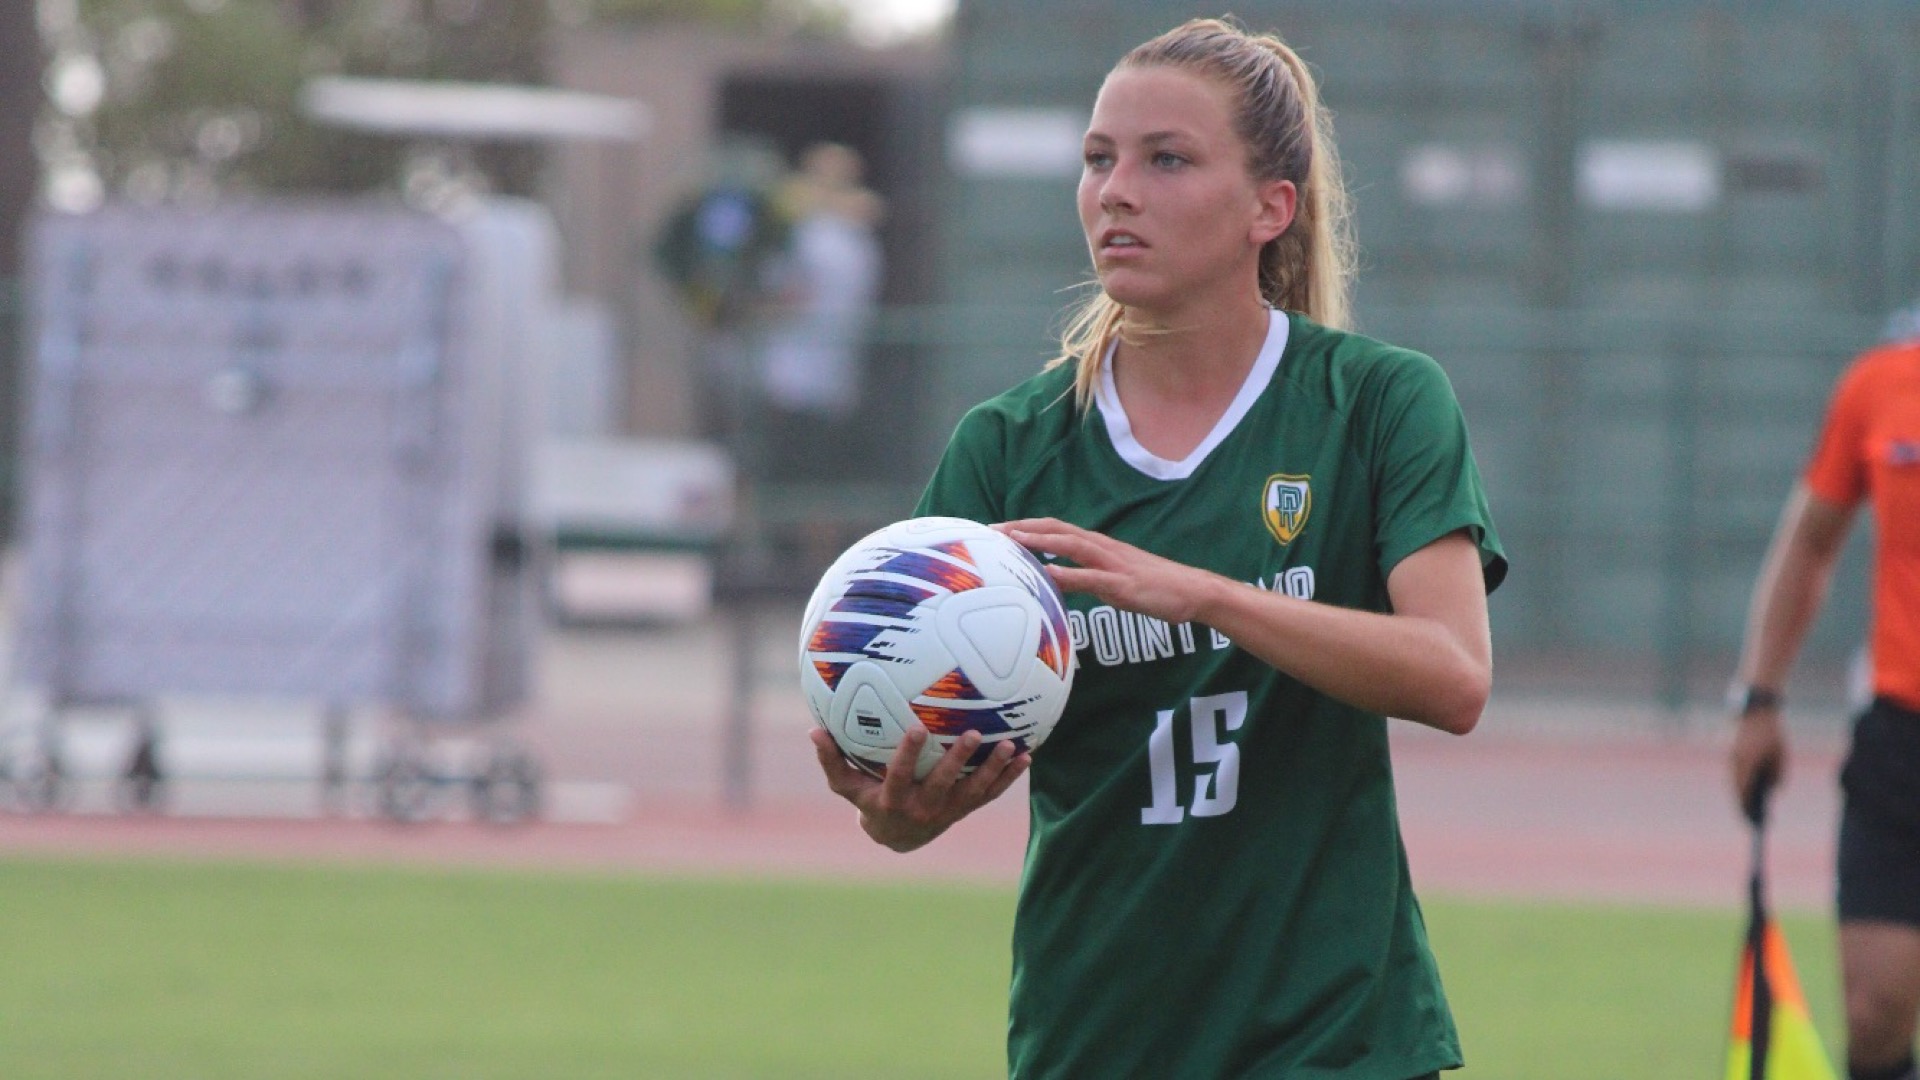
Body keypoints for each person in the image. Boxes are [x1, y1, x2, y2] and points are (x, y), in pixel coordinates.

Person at [810, 18, 1506, 1079]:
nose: (1115, 190)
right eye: (1098, 158)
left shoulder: (1375, 402)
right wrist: (897, 808)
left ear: (1270, 209)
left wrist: (1208, 596)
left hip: (1337, 1036)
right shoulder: (1008, 448)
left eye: (1165, 159)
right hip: (1096, 1035)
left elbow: (1454, 679)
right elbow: (903, 800)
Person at [1729, 315, 1920, 1080]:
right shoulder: (1880, 384)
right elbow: (1811, 540)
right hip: (1899, 734)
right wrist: (1759, 700)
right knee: (1873, 1013)